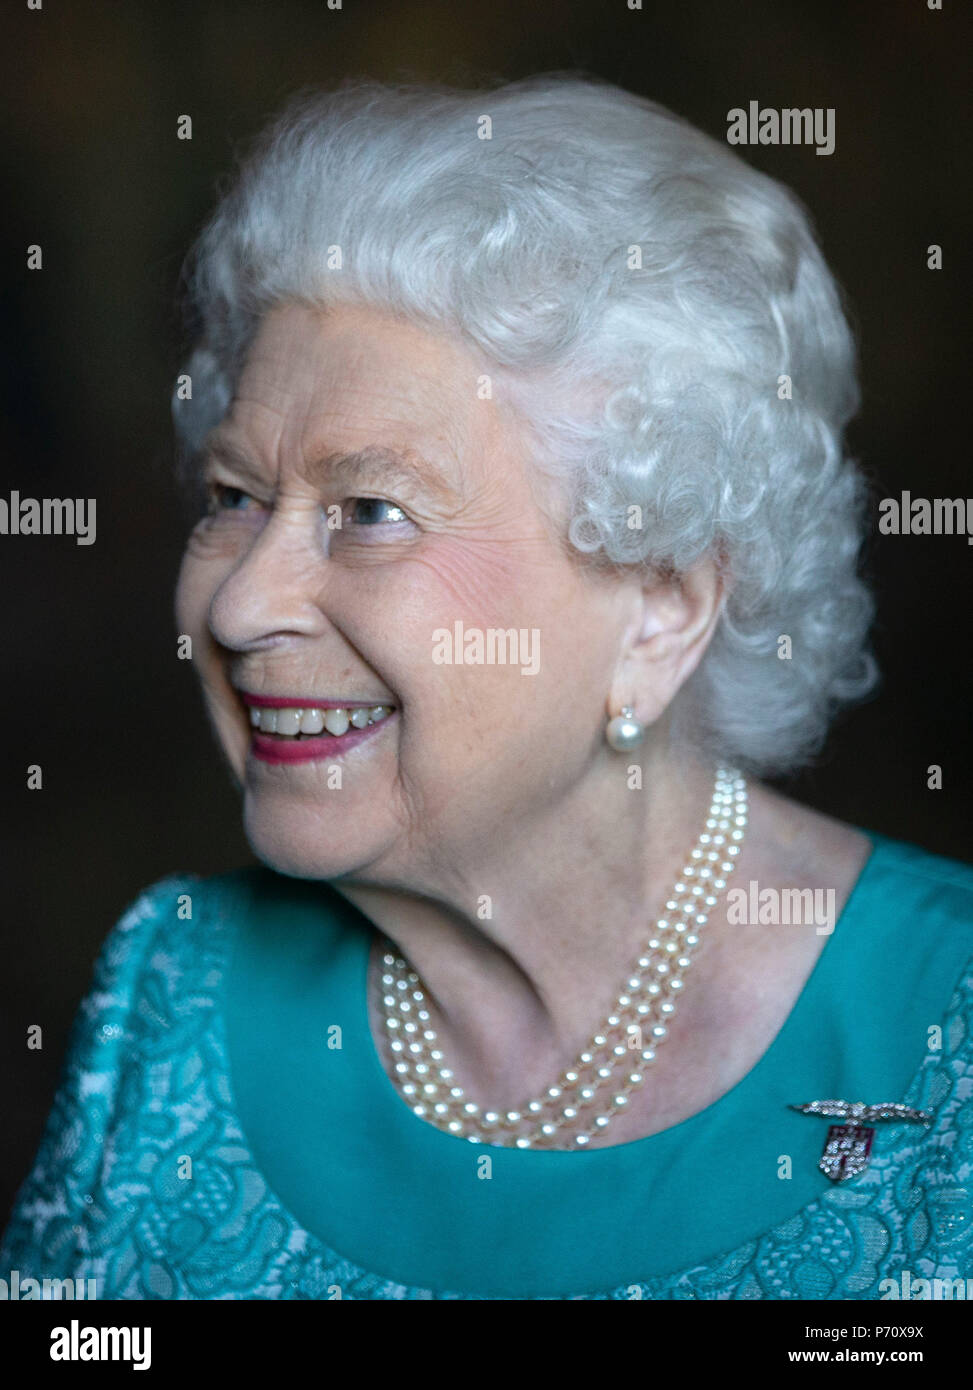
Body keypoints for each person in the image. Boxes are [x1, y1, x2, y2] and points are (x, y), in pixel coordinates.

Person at [3, 75, 971, 1300]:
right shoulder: (173, 985)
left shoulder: (948, 1041)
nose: (242, 605)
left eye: (370, 512)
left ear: (662, 603)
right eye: (234, 497)